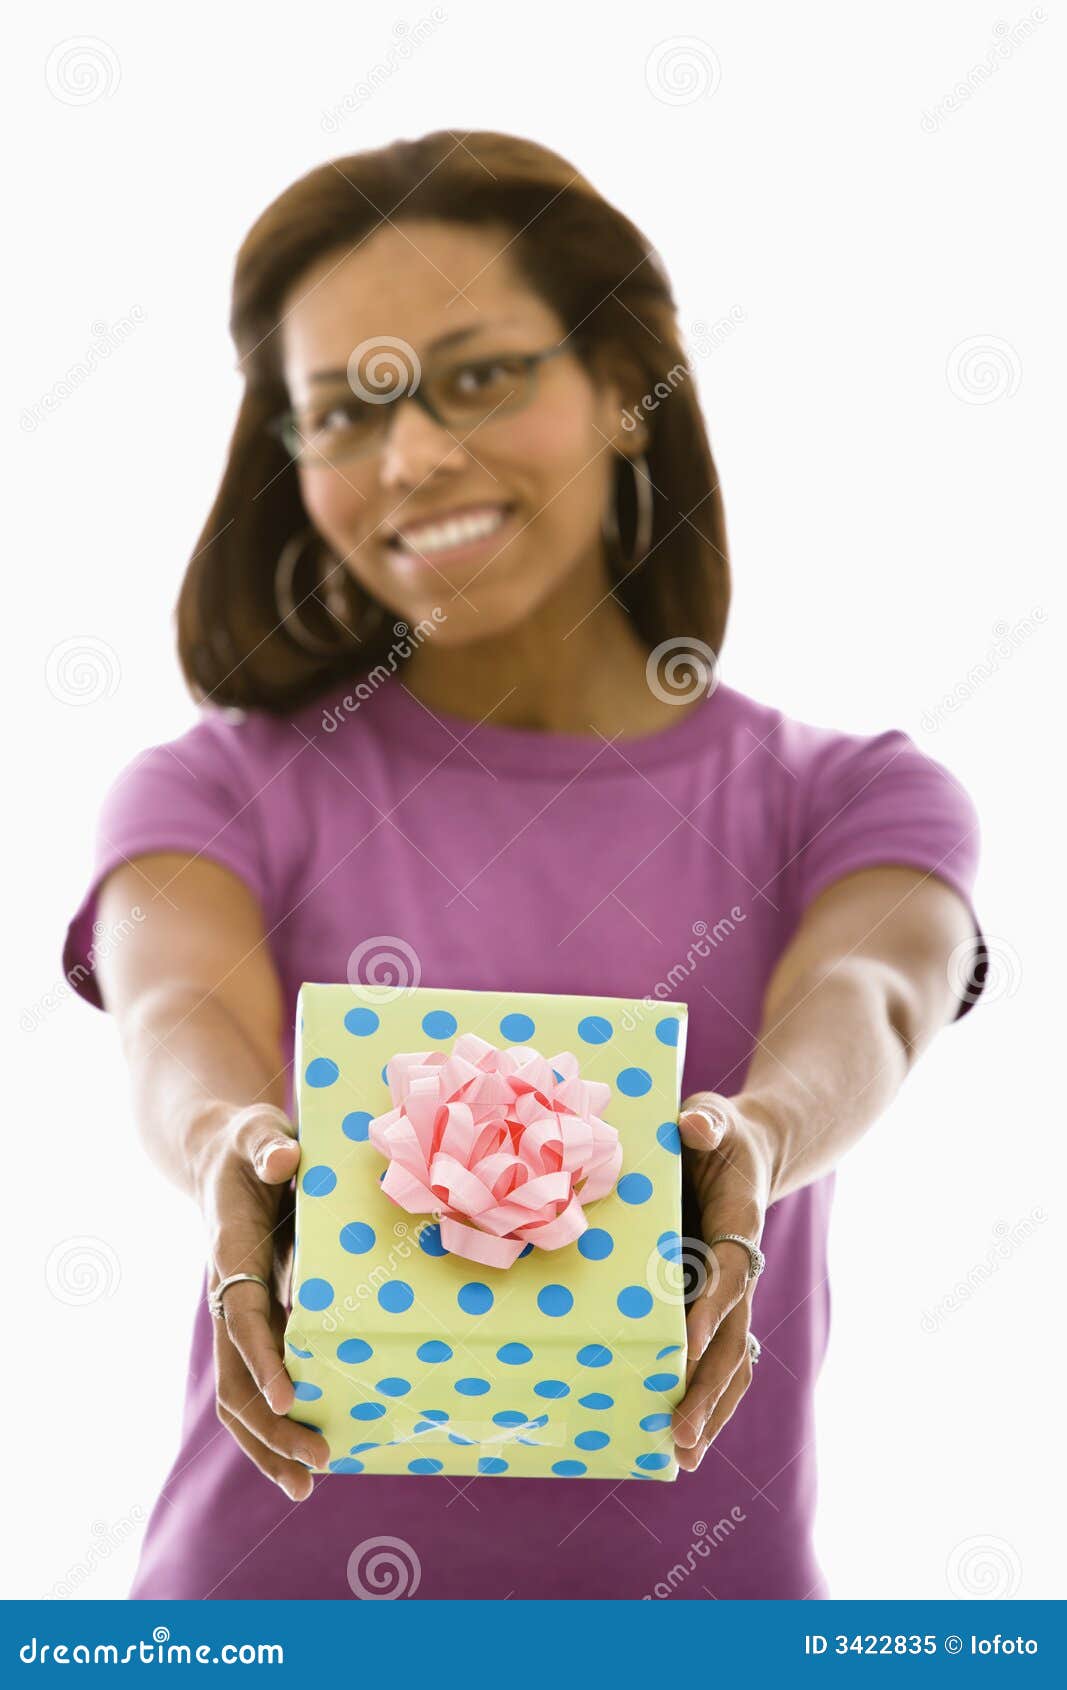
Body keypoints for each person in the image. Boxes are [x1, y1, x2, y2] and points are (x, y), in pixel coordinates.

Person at [63, 130, 985, 1600]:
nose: (414, 456)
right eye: (340, 414)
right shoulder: (215, 789)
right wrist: (230, 1145)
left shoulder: (851, 798)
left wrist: (759, 1138)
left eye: (478, 375)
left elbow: (874, 992)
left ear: (627, 390)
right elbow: (181, 1024)